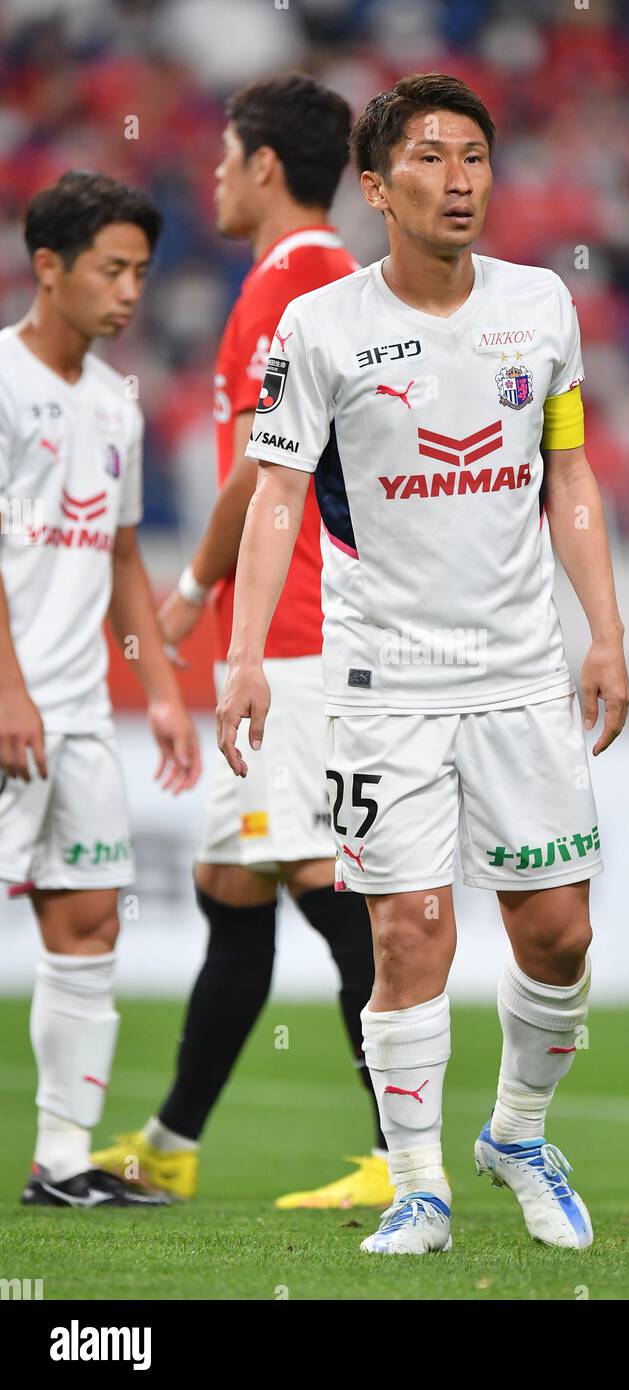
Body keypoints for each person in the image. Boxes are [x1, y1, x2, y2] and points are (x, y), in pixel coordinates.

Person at [216, 72, 629, 1254]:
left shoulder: (539, 305)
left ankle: (513, 1132)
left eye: (475, 159)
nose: (458, 181)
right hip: (382, 680)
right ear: (374, 185)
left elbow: (570, 476)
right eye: (431, 159)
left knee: (558, 932)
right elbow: (278, 495)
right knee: (408, 934)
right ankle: (417, 1189)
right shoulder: (321, 325)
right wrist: (243, 653)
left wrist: (602, 630)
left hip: (516, 672)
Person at [92, 74, 394, 1212]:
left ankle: (398, 1153)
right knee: (233, 883)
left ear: (265, 165)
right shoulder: (281, 279)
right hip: (270, 634)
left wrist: (193, 588)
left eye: (225, 155)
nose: (212, 174)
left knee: (324, 879)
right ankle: (170, 1145)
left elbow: (257, 468)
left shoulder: (303, 275)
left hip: (303, 633)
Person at [0, 170, 201, 1208]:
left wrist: (161, 690)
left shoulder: (116, 402)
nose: (130, 291)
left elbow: (122, 558)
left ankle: (63, 1158)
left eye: (141, 272)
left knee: (87, 921)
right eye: (111, 269)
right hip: (9, 699)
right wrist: (6, 686)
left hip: (77, 706)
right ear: (48, 267)